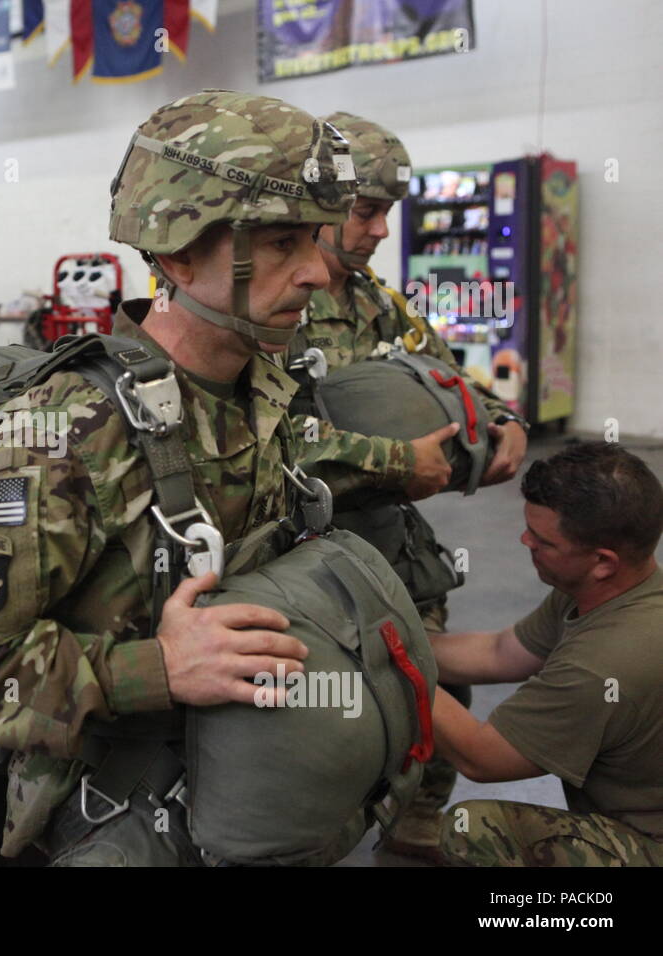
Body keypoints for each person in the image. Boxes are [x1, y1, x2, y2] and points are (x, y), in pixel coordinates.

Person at [0, 90, 452, 866]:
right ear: (179, 248)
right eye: (282, 241)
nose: (317, 276)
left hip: (250, 791)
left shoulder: (264, 389)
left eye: (315, 240)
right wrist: (151, 669)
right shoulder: (56, 439)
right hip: (116, 812)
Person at [289, 112, 530, 861]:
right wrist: (396, 463)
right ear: (320, 204)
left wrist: (503, 416)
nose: (378, 231)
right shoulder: (274, 305)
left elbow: (448, 377)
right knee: (316, 708)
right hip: (303, 544)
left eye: (387, 212)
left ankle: (420, 820)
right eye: (366, 211)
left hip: (390, 535)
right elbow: (262, 440)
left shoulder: (377, 303)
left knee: (433, 669)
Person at [432, 442, 663, 866]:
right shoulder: (602, 592)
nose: (524, 540)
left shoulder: (605, 662)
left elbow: (482, 758)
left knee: (477, 831)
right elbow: (500, 652)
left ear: (603, 562)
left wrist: (384, 662)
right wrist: (402, 638)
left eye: (542, 540)